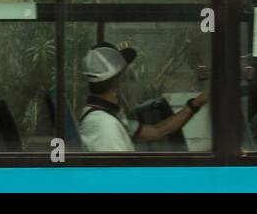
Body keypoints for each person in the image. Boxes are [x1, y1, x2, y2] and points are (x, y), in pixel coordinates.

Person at [78, 43, 208, 152]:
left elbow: (158, 131)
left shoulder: (110, 116)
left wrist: (196, 103)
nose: (130, 80)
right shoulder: (104, 126)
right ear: (117, 81)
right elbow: (120, 179)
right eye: (126, 74)